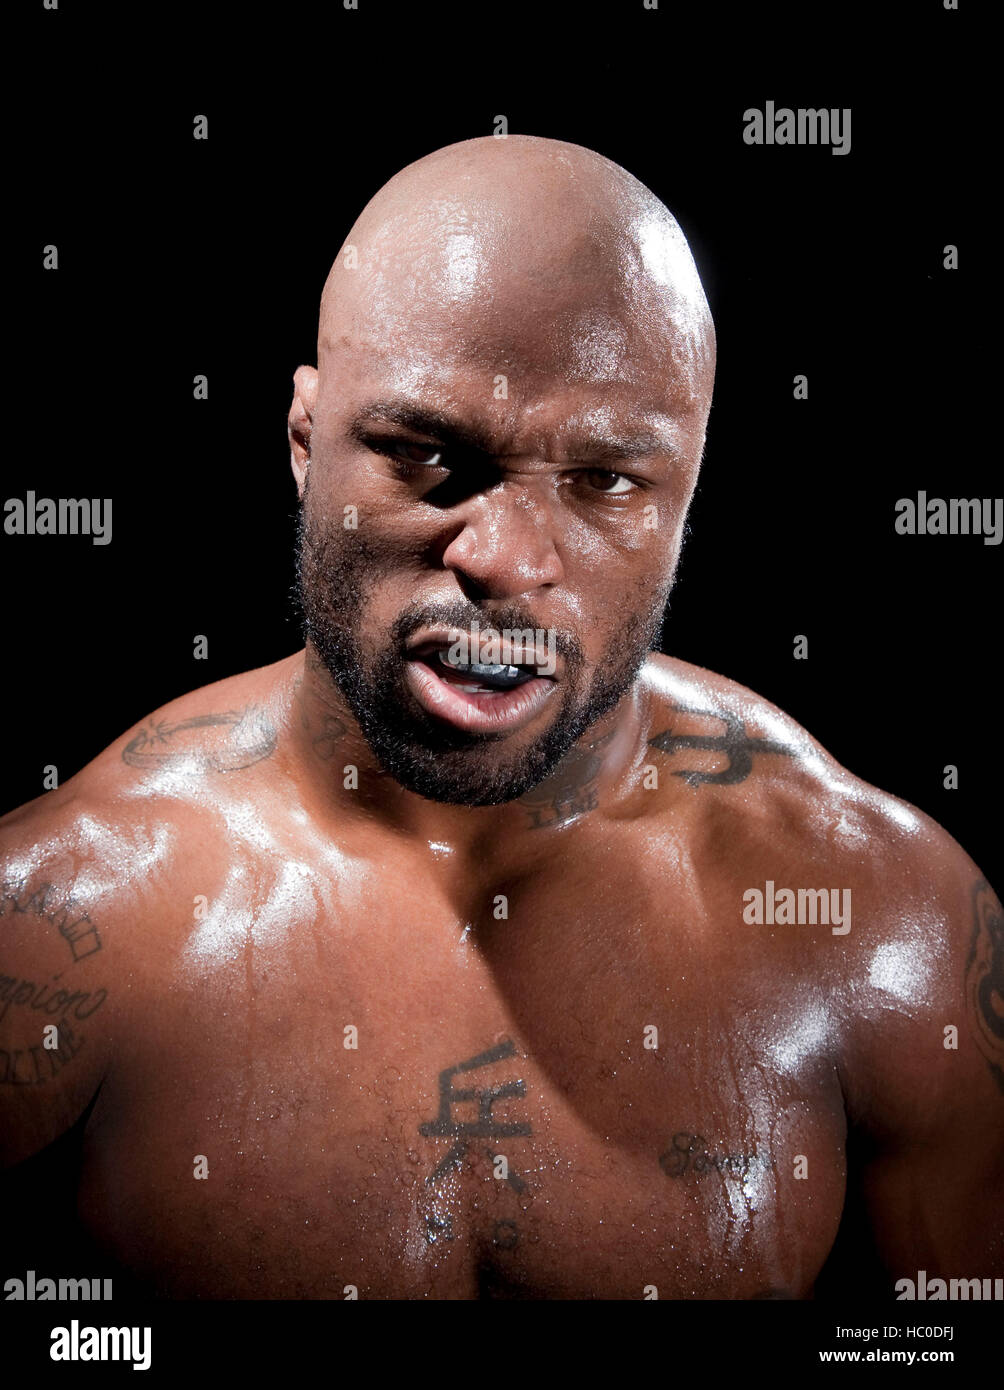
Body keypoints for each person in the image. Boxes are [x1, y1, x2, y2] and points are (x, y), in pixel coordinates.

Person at [1, 136, 1000, 1300]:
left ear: (686, 492)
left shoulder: (885, 924)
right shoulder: (61, 923)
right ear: (301, 440)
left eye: (606, 481)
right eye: (427, 456)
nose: (509, 564)